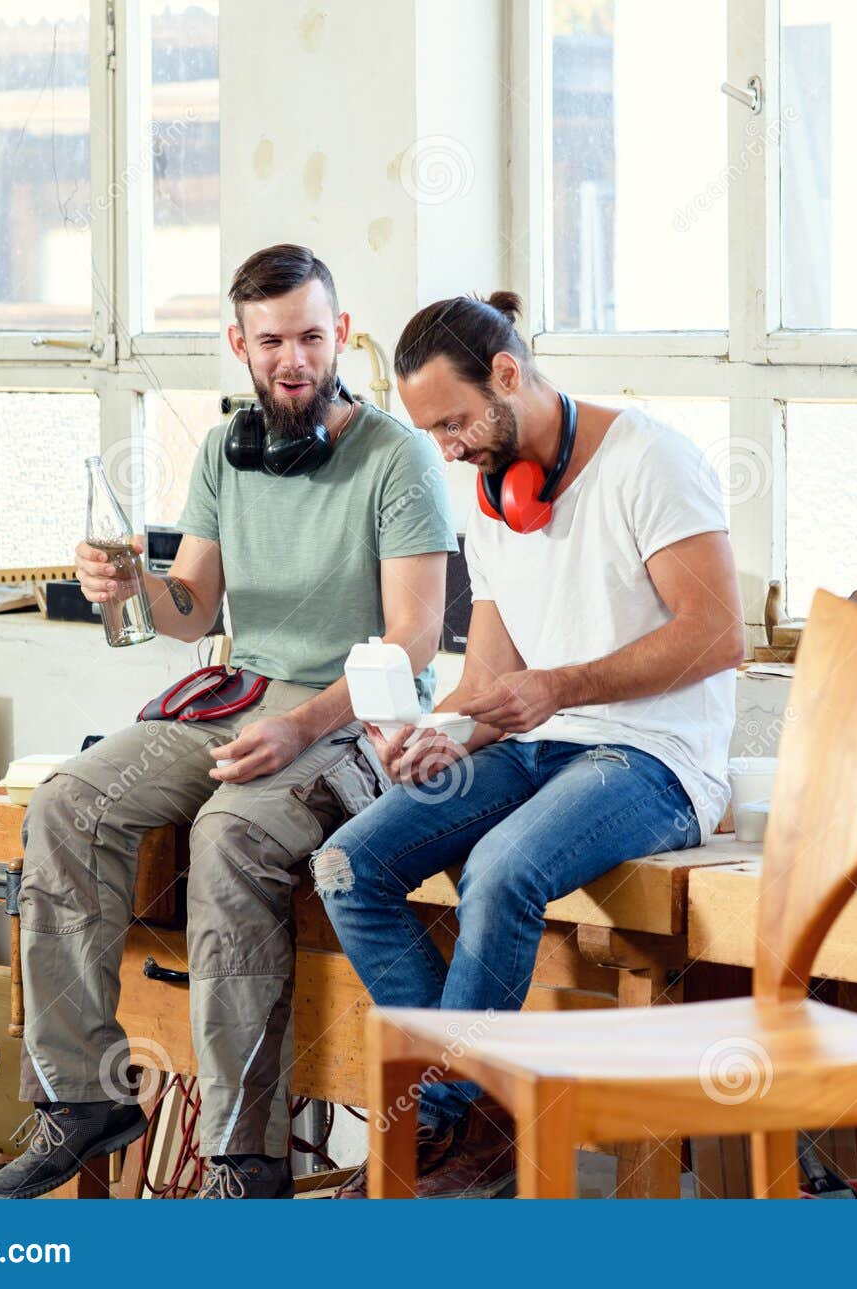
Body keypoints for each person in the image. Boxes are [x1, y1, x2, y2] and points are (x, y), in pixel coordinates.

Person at [0, 245, 458, 1200]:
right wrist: (133, 587)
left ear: (343, 336)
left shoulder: (399, 457)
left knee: (232, 832)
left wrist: (300, 728)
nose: (295, 359)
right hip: (236, 698)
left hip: (352, 722)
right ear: (239, 343)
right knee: (69, 802)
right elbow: (194, 609)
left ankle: (245, 1158)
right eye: (273, 340)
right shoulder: (221, 451)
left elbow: (411, 642)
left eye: (314, 337)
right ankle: (81, 1096)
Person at [316, 291, 745, 1198]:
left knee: (501, 868)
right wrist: (441, 736)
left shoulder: (651, 461)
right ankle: (478, 1129)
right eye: (429, 430)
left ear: (508, 375)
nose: (447, 447)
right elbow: (488, 685)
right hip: (540, 744)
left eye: (455, 421)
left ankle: (435, 1129)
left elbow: (719, 637)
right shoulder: (490, 493)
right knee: (349, 865)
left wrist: (561, 686)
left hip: (654, 758)